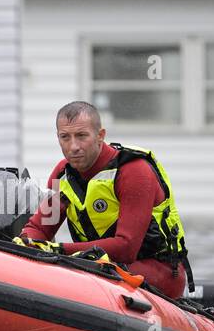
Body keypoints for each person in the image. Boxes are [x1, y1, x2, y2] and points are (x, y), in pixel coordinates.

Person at [17, 100, 191, 298]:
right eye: (65, 137)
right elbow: (41, 228)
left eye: (82, 136)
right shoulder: (61, 174)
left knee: (88, 275)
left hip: (157, 271)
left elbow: (126, 248)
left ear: (100, 136)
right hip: (95, 265)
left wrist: (58, 250)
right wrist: (26, 243)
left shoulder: (134, 172)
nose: (73, 146)